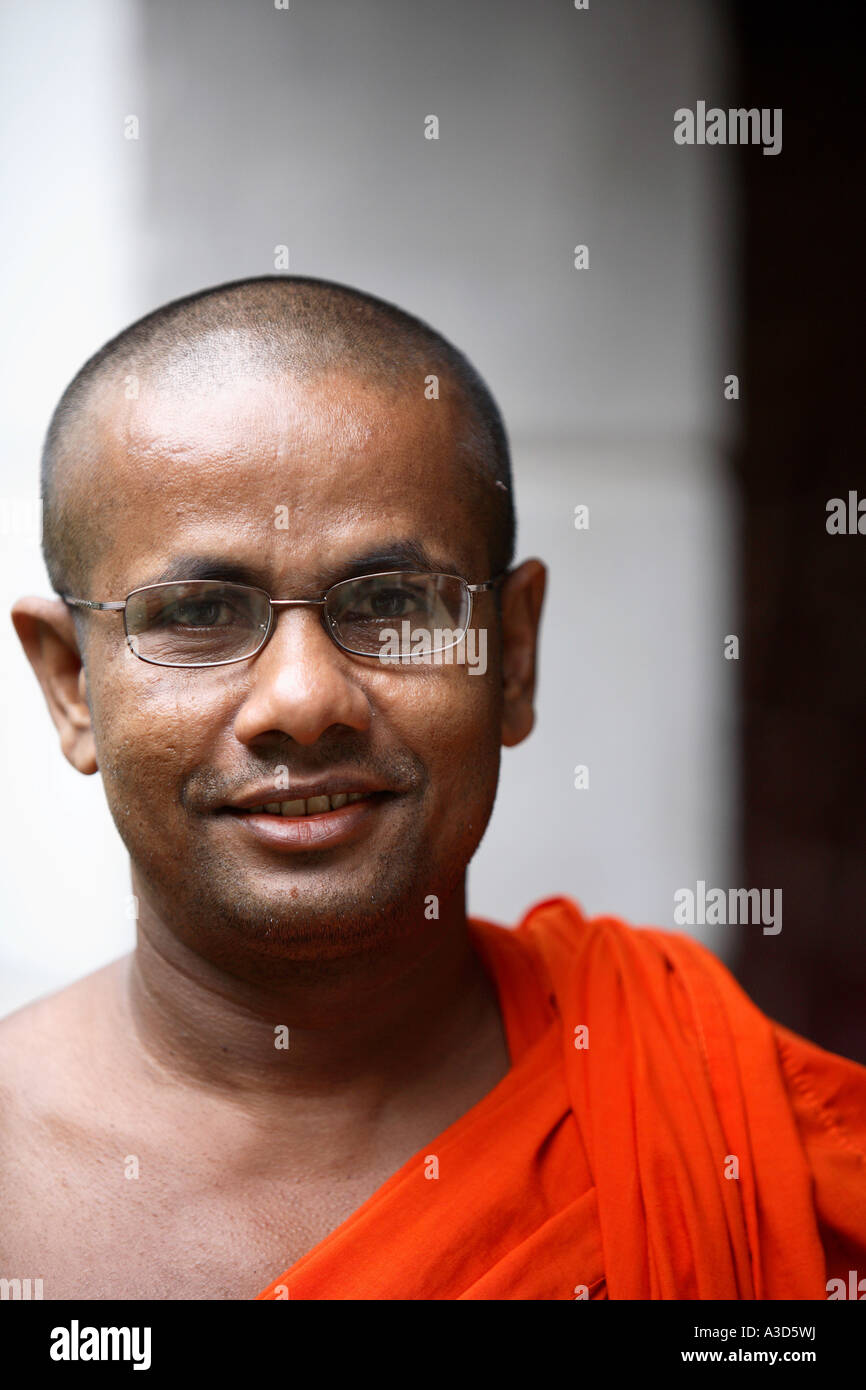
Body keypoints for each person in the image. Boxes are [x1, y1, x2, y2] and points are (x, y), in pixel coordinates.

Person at [3, 277, 864, 1301]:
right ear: (71, 686)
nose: (302, 698)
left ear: (512, 655)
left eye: (393, 602)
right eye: (196, 611)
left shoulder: (743, 1144)